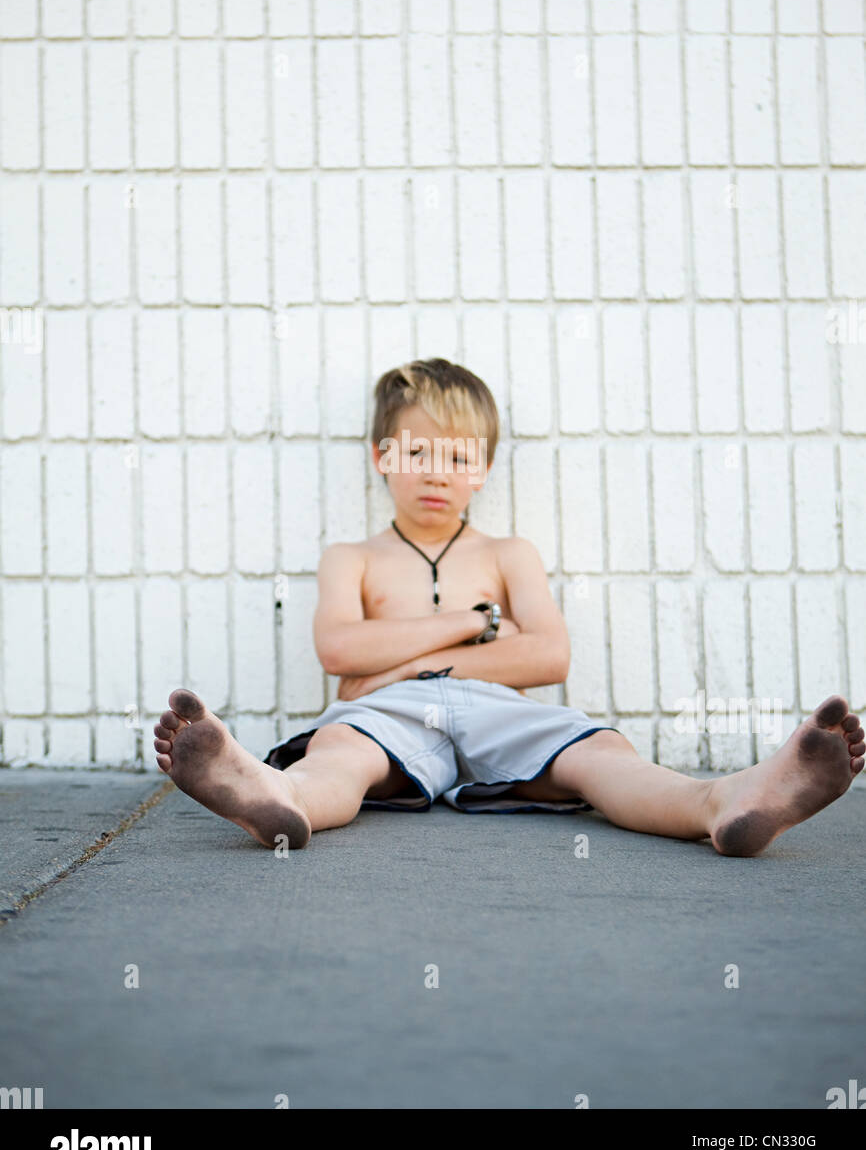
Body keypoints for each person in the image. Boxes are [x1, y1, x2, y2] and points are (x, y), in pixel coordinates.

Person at [153, 357, 864, 855]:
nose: (438, 471)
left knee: (602, 756)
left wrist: (423, 654)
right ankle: (279, 799)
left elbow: (548, 654)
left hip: (499, 706)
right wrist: (483, 622)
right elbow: (340, 651)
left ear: (484, 471)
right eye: (418, 452)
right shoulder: (353, 557)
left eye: (459, 457)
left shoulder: (509, 552)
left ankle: (726, 803)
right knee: (340, 753)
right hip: (385, 714)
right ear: (380, 457)